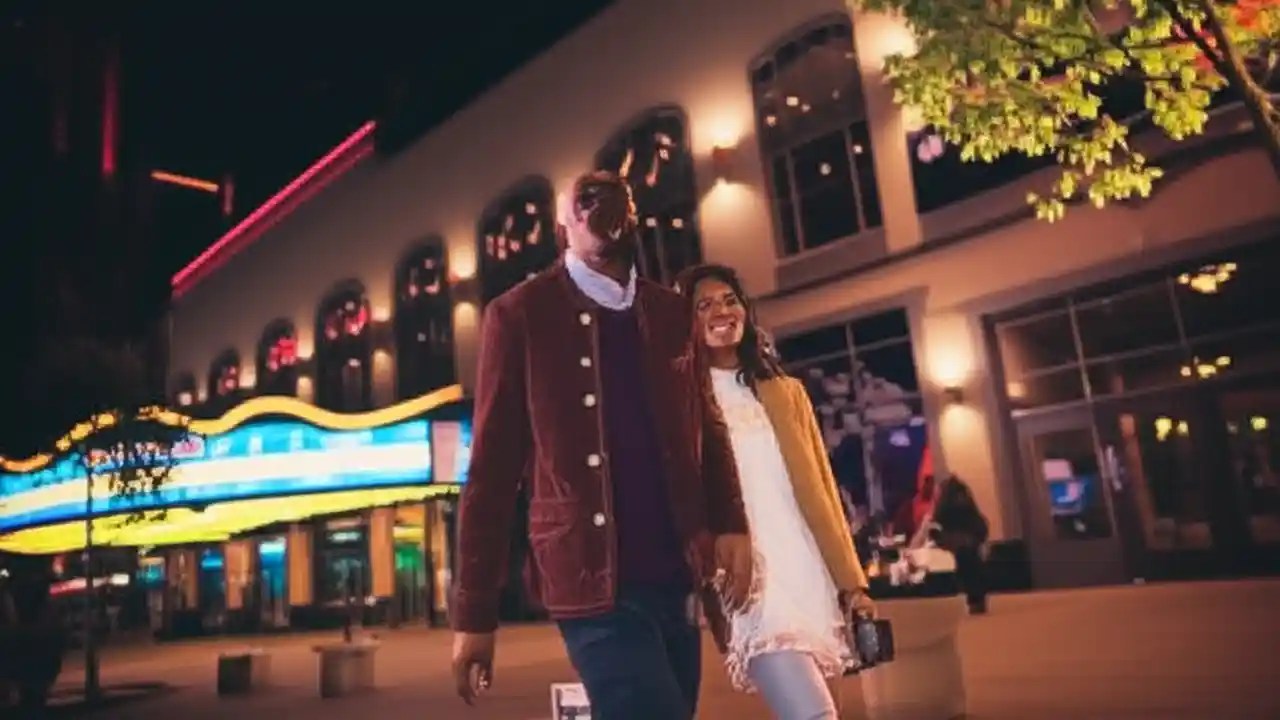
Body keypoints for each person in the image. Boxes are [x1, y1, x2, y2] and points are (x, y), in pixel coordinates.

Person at [450, 171, 753, 720]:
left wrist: (730, 520)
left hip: (678, 575)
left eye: (614, 199)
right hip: (588, 584)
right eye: (583, 202)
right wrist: (474, 613)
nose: (600, 210)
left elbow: (706, 425)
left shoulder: (669, 312)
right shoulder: (518, 315)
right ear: (563, 223)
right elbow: (491, 475)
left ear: (633, 215)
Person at [675, 263, 875, 720]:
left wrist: (852, 583)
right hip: (749, 580)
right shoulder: (683, 400)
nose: (720, 312)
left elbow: (823, 491)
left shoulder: (786, 392)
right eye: (703, 305)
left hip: (806, 570)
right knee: (814, 715)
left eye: (729, 300)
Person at [929, 475, 990, 614]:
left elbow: (935, 530)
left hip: (959, 548)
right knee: (971, 565)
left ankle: (973, 600)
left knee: (967, 564)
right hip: (967, 546)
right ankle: (976, 600)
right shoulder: (967, 508)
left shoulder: (944, 510)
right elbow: (981, 528)